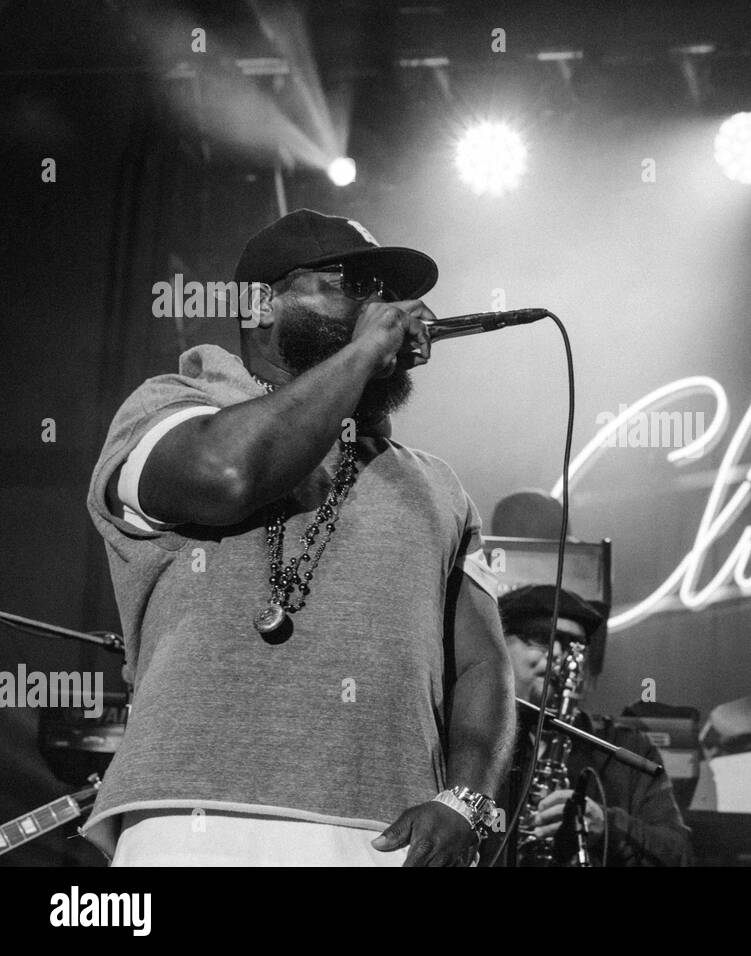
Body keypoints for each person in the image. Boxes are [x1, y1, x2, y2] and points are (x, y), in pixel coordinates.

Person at [82, 209, 515, 866]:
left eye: (386, 292)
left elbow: (485, 664)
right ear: (261, 304)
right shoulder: (169, 410)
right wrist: (365, 349)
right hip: (190, 823)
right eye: (353, 284)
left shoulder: (438, 486)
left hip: (379, 837)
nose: (381, 306)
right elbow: (227, 475)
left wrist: (466, 801)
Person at [492, 585, 692, 866]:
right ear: (499, 643)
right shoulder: (469, 742)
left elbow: (678, 855)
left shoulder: (628, 748)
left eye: (574, 644)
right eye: (541, 638)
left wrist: (605, 825)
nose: (559, 655)